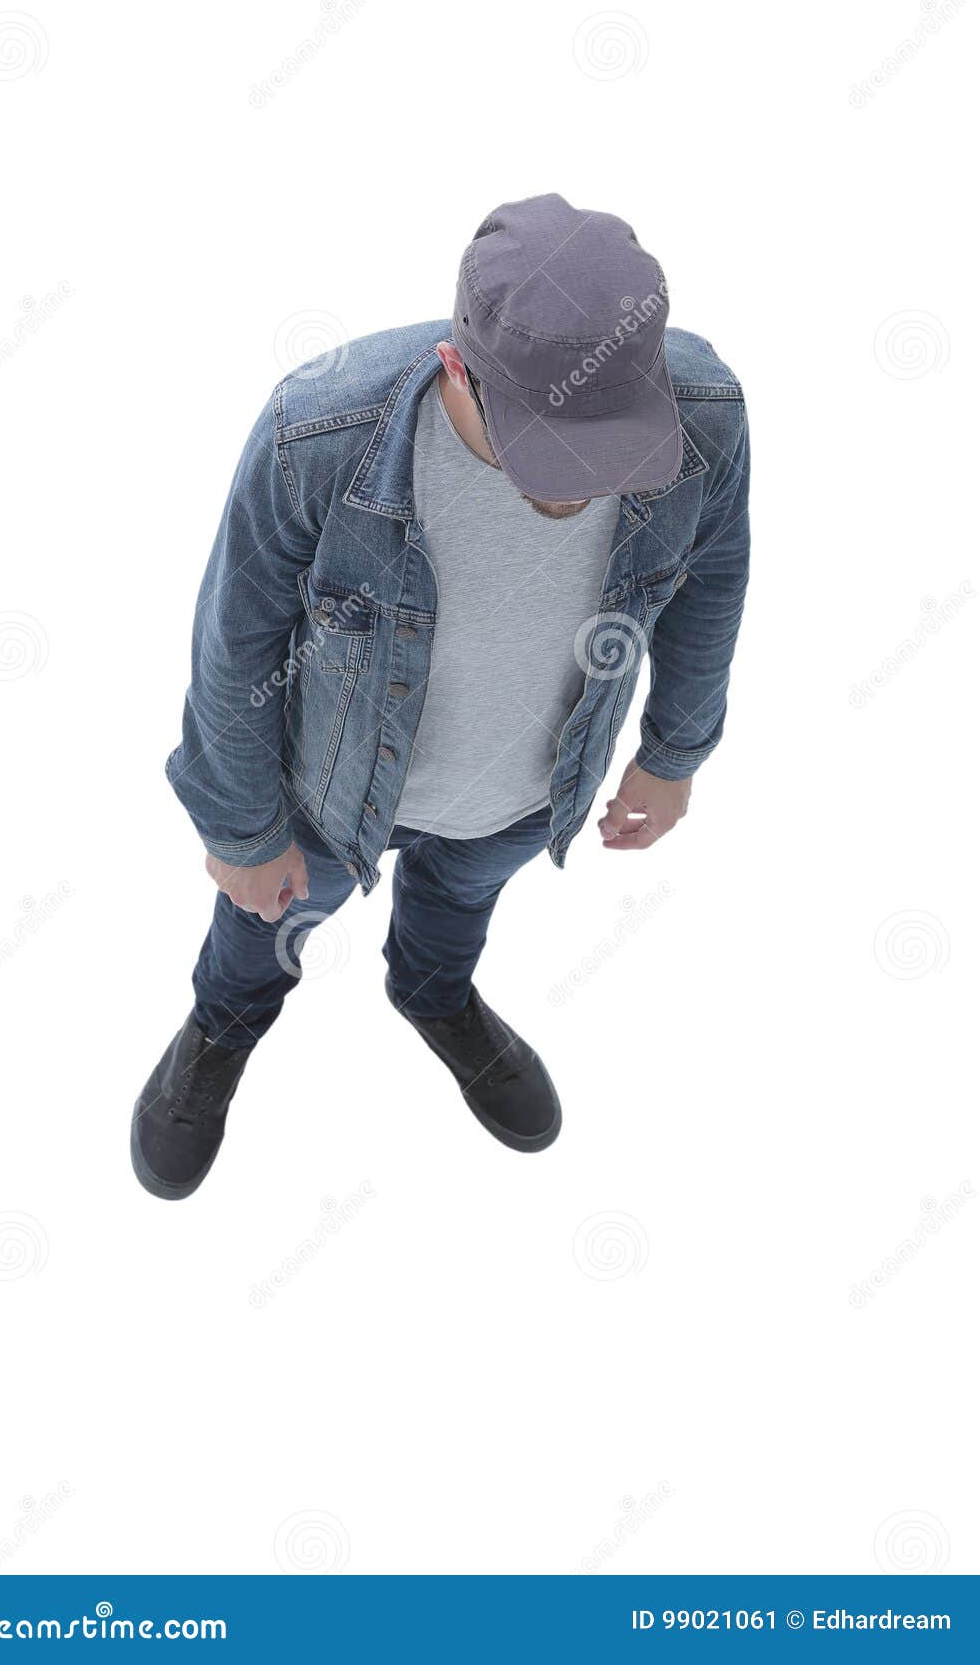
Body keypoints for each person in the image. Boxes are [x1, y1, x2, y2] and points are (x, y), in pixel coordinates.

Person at [131, 193, 750, 1200]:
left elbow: (709, 573)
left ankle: (432, 992)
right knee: (261, 929)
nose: (579, 490)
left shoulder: (704, 416)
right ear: (456, 367)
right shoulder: (316, 431)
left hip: (518, 791)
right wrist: (242, 830)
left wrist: (673, 751)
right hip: (322, 799)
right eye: (551, 454)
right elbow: (233, 648)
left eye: (608, 450)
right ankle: (223, 1023)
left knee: (461, 898)